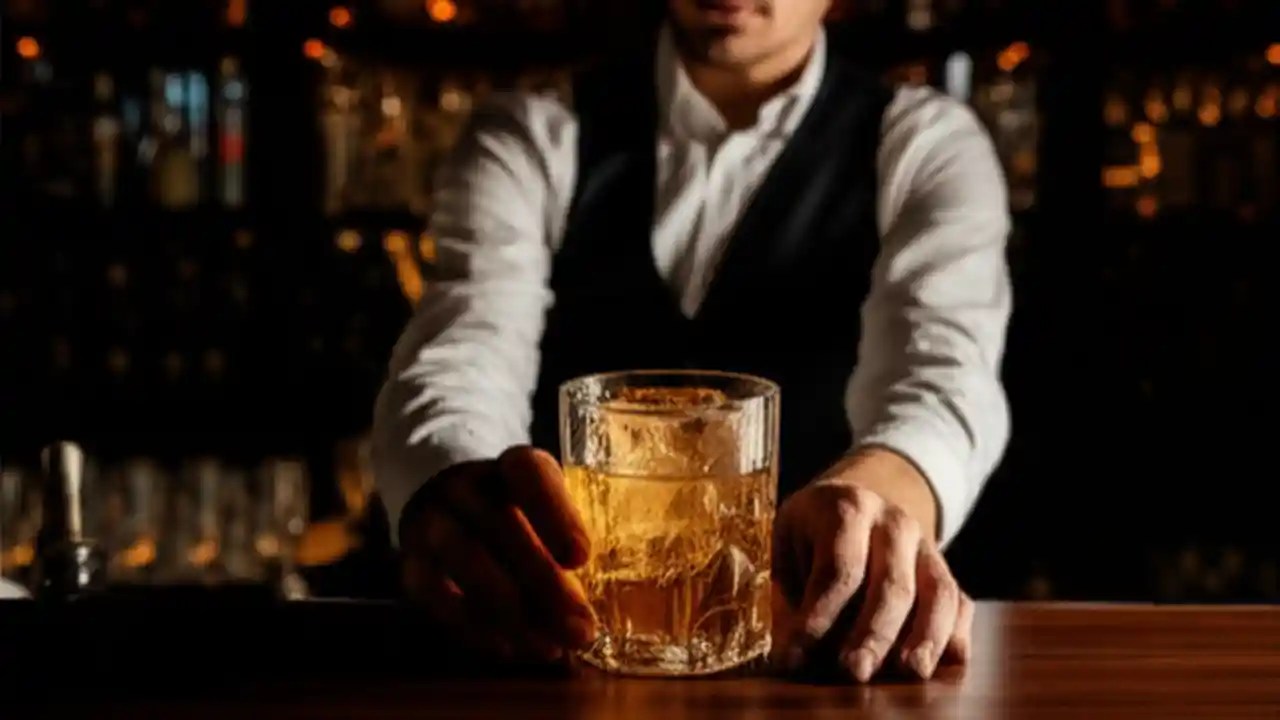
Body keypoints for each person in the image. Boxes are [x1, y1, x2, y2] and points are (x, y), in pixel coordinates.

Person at [374, 0, 1011, 682]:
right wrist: (460, 484)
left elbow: (946, 378)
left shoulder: (924, 143)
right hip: (564, 659)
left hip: (811, 660)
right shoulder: (531, 132)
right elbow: (461, 352)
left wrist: (876, 499)